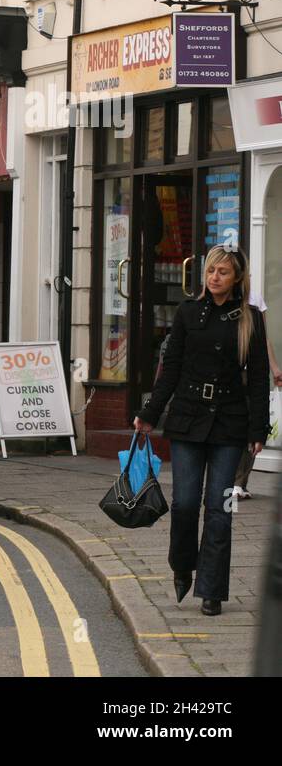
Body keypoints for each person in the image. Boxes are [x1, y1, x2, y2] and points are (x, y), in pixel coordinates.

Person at [134, 245, 270, 617]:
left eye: (223, 272)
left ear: (236, 278)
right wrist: (149, 413)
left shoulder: (251, 319)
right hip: (187, 419)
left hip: (230, 425)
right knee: (184, 503)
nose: (214, 278)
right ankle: (182, 566)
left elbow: (258, 379)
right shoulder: (188, 312)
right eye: (211, 271)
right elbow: (171, 367)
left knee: (220, 508)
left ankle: (212, 590)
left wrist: (259, 429)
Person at [232, 287, 282, 499]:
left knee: (252, 424)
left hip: (250, 373)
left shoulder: (254, 298)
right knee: (233, 425)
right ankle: (232, 482)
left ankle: (240, 482)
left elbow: (263, 340)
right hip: (229, 375)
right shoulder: (213, 296)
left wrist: (274, 368)